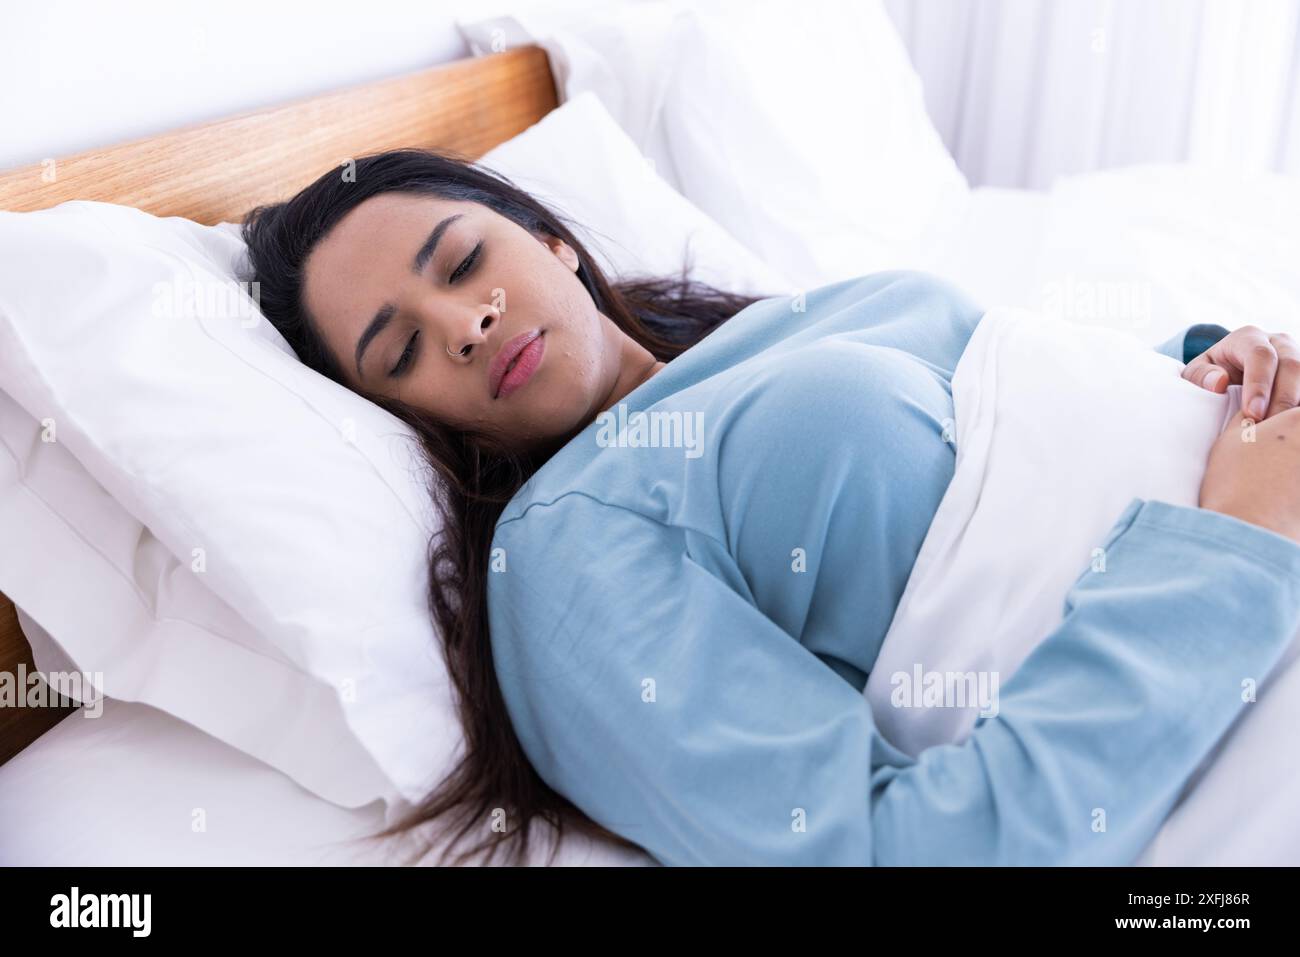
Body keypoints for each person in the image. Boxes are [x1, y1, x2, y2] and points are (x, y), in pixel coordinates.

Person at [242, 148, 1300, 866]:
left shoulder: (803, 315)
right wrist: (1233, 544)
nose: (461, 322)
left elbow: (1004, 405)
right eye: (402, 351)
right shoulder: (564, 554)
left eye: (465, 260)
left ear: (549, 236)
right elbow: (899, 853)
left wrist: (1209, 368)